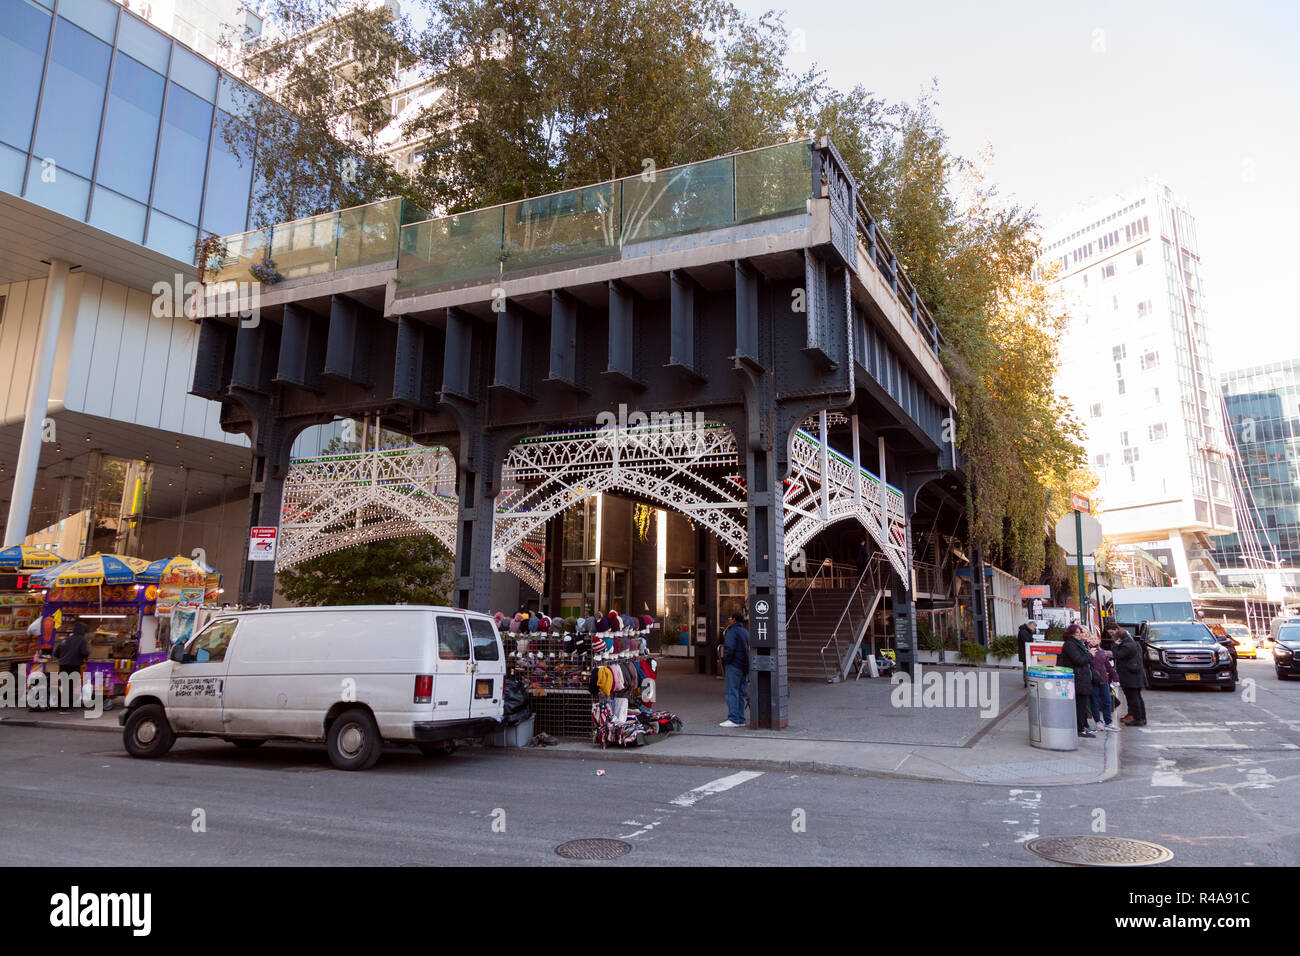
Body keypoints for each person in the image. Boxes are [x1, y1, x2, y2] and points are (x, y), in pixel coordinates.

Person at [1057, 623, 1096, 738]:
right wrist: (1090, 655)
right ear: (1071, 634)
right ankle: (1079, 729)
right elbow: (1078, 660)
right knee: (1079, 705)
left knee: (1082, 705)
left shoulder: (1077, 644)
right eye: (1077, 633)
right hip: (1077, 678)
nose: (1079, 635)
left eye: (1080, 632)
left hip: (1081, 678)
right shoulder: (1070, 645)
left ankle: (1083, 727)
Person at [1112, 627, 1148, 727]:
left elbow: (1117, 655)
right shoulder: (1132, 643)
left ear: (1119, 638)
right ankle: (1139, 717)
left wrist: (1115, 646)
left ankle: (1137, 719)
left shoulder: (1127, 646)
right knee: (1136, 697)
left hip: (1130, 676)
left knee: (1133, 698)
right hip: (1135, 675)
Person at [719, 611, 750, 728]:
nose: (728, 619)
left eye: (730, 617)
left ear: (734, 620)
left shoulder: (732, 631)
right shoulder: (745, 632)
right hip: (744, 666)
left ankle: (733, 719)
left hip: (734, 665)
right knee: (742, 693)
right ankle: (741, 718)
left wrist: (726, 660)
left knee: (732, 691)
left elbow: (729, 648)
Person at [52, 621, 90, 713]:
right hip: (74, 665)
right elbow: (84, 652)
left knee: (64, 686)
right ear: (82, 631)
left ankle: (63, 706)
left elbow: (56, 653)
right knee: (70, 687)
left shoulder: (66, 639)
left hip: (63, 666)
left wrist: (64, 657)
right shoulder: (82, 640)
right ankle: (66, 708)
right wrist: (85, 657)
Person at [1086, 630, 1120, 731]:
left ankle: (1108, 722)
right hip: (1094, 681)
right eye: (1091, 639)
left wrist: (1115, 678)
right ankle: (1098, 722)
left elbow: (1108, 666)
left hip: (1104, 680)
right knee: (1095, 702)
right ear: (1088, 640)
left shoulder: (1102, 652)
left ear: (1098, 641)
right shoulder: (1087, 651)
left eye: (1095, 639)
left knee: (1107, 701)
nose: (1093, 640)